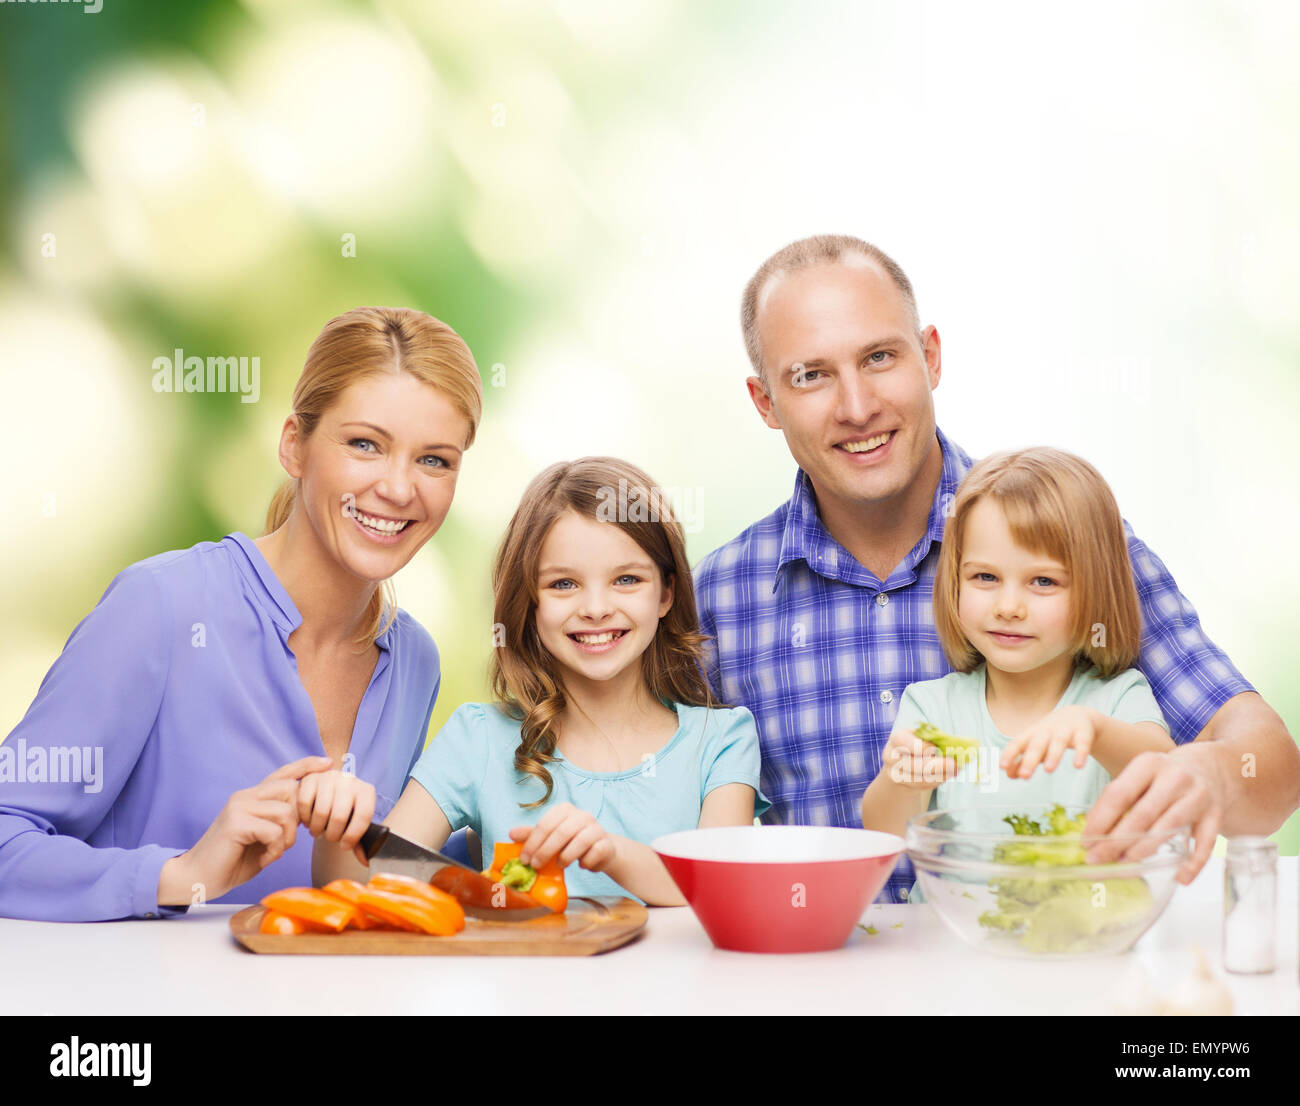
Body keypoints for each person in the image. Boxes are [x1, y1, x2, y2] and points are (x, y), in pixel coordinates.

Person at [695, 234, 1300, 904]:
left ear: (930, 357)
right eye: (811, 375)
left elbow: (1269, 767)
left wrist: (1214, 773)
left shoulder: (1070, 545)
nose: (857, 406)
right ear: (764, 403)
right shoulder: (720, 598)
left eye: (880, 357)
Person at [0, 306, 482, 920]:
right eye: (365, 444)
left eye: (434, 460)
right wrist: (181, 874)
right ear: (294, 445)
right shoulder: (163, 607)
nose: (398, 487)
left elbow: (379, 875)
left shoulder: (413, 659)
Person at [317, 458, 769, 905]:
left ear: (666, 594)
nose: (595, 608)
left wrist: (609, 853)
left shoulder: (722, 740)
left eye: (627, 579)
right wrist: (336, 826)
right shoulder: (478, 739)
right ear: (529, 602)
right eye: (563, 584)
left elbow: (719, 885)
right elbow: (370, 886)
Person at [859, 448, 1176, 898]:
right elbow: (886, 832)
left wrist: (1096, 731)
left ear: (1096, 589)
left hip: (1081, 944)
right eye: (985, 578)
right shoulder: (933, 706)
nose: (1008, 607)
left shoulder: (1117, 699)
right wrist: (904, 779)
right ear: (955, 582)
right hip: (948, 950)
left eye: (1043, 582)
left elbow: (1164, 774)